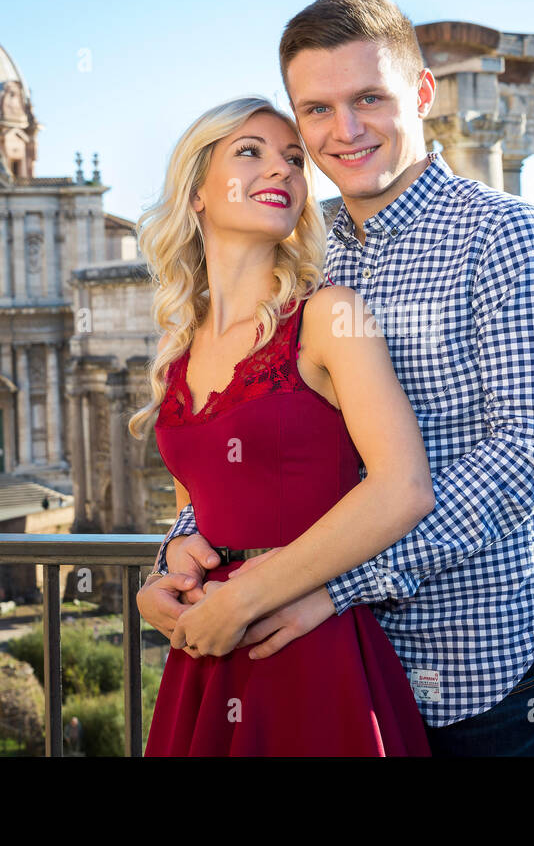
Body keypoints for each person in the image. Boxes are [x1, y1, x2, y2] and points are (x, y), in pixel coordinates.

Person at [146, 0, 534, 756]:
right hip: (329, 673)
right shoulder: (307, 261)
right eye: (316, 110)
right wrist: (181, 556)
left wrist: (331, 586)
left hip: (479, 678)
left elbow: (527, 453)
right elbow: (264, 448)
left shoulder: (507, 236)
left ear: (421, 94)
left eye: (368, 99)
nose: (343, 131)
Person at [128, 95, 434, 756]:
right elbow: (198, 513)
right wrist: (163, 578)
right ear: (197, 192)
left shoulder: (329, 314)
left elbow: (404, 488)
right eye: (251, 152)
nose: (283, 171)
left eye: (294, 159)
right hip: (209, 649)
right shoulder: (179, 345)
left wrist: (247, 597)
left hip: (307, 646)